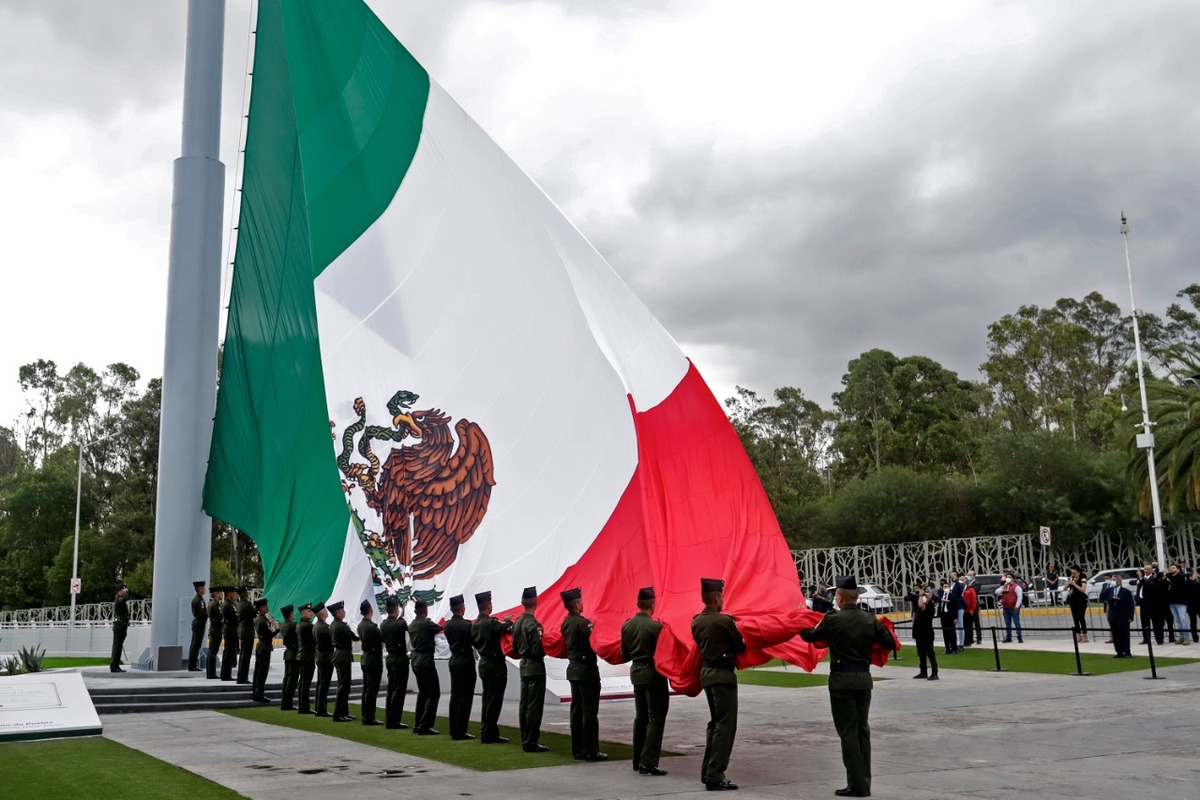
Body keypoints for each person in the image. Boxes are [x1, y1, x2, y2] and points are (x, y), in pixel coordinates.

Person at [801, 576, 896, 798]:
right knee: (862, 730)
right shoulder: (869, 619)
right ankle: (864, 782)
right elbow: (890, 642)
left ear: (839, 597)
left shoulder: (833, 619)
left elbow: (810, 636)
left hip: (841, 681)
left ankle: (856, 785)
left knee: (848, 733)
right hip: (864, 680)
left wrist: (798, 621)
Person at [691, 577, 745, 792]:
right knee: (725, 726)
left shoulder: (696, 621)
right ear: (716, 598)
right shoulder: (724, 621)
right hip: (723, 676)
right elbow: (739, 646)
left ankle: (707, 771)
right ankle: (715, 775)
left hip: (707, 674)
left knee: (715, 723)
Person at [621, 586, 669, 776]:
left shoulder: (627, 625)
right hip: (653, 673)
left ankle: (637, 760)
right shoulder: (655, 627)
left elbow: (624, 654)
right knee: (656, 717)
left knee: (641, 716)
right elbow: (664, 653)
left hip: (636, 672)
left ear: (637, 604)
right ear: (652, 604)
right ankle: (648, 762)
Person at [561, 587, 606, 762]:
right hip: (587, 671)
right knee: (589, 712)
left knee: (576, 710)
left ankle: (577, 749)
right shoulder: (582, 623)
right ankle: (591, 750)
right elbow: (595, 641)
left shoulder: (565, 622)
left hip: (573, 669)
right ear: (577, 604)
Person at [473, 590, 514, 744]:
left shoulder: (475, 625)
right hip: (495, 665)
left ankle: (487, 731)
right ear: (488, 606)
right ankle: (489, 734)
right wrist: (508, 620)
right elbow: (506, 627)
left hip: (483, 664)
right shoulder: (491, 623)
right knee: (494, 702)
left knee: (487, 700)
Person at [511, 585, 548, 752]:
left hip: (524, 665)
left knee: (524, 704)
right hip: (535, 666)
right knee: (534, 706)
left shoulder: (517, 623)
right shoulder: (534, 625)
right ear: (536, 603)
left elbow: (514, 647)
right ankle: (531, 741)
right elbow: (536, 649)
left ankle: (524, 738)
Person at [443, 594, 476, 740]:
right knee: (466, 697)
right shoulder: (467, 625)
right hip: (466, 662)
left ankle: (453, 729)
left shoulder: (448, 625)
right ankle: (461, 730)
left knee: (455, 696)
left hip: (454, 660)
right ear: (462, 608)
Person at [409, 597, 443, 735]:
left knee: (422, 694)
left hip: (415, 660)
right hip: (425, 661)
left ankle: (418, 724)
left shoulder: (411, 624)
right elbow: (440, 628)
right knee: (434, 693)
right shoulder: (426, 623)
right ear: (425, 611)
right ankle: (425, 725)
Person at [379, 595, 410, 729]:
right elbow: (404, 624)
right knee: (399, 690)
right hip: (399, 659)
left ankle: (389, 719)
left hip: (390, 658)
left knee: (391, 689)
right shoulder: (400, 624)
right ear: (395, 609)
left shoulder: (383, 624)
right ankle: (395, 720)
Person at [329, 600, 357, 721]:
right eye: (342, 611)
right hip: (343, 656)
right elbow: (354, 637)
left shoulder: (334, 624)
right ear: (338, 613)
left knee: (344, 686)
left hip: (340, 655)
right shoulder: (341, 626)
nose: (344, 612)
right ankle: (339, 714)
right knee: (343, 686)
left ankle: (344, 712)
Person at [903, 584, 938, 680]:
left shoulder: (929, 607)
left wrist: (922, 595)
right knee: (921, 653)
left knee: (930, 653)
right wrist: (921, 594)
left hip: (927, 633)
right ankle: (923, 672)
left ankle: (935, 672)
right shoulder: (920, 608)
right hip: (919, 633)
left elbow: (921, 603)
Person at [358, 598, 384, 726]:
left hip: (366, 658)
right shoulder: (371, 627)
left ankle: (366, 715)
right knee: (372, 690)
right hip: (373, 660)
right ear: (370, 611)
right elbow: (382, 638)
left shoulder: (361, 625)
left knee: (367, 690)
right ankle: (369, 717)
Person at [251, 598, 277, 703]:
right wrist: (278, 629)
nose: (267, 608)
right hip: (264, 647)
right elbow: (268, 635)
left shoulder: (260, 619)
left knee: (258, 671)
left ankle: (256, 692)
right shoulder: (262, 621)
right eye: (265, 606)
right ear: (261, 608)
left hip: (261, 646)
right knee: (262, 672)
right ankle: (259, 694)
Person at [313, 601, 334, 717]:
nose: (327, 612)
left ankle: (319, 707)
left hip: (321, 657)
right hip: (326, 657)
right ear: (321, 613)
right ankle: (321, 709)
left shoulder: (317, 626)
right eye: (325, 610)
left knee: (321, 684)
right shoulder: (323, 627)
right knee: (324, 684)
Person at [295, 602, 317, 714]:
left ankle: (302, 706)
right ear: (303, 614)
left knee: (303, 682)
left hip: (302, 655)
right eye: (308, 611)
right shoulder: (308, 626)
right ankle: (304, 707)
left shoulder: (299, 624)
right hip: (308, 656)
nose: (311, 613)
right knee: (305, 683)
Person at [1107, 575, 1135, 658]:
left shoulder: (1126, 592)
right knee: (1115, 635)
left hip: (1123, 616)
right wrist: (1111, 597)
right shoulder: (1110, 591)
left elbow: (1131, 605)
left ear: (1119, 581)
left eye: (1114, 580)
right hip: (1113, 616)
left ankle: (1127, 652)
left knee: (1124, 634)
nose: (1113, 581)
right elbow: (1103, 597)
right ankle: (1119, 652)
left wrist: (1130, 617)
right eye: (1112, 580)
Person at [1166, 564, 1192, 644]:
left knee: (1183, 619)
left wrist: (1170, 577)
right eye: (1171, 568)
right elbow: (1168, 575)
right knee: (1177, 620)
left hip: (1181, 601)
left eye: (1173, 568)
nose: (1171, 569)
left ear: (1178, 569)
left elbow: (1177, 581)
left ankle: (1186, 637)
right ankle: (1181, 636)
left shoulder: (1180, 576)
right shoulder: (1172, 576)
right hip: (1172, 601)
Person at [279, 604, 298, 710]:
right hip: (293, 654)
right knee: (292, 680)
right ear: (290, 614)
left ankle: (285, 702)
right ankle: (288, 703)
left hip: (288, 653)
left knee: (287, 679)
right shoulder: (292, 625)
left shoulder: (284, 625)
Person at [997, 571, 1024, 643]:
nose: (1008, 579)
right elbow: (996, 591)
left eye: (1010, 577)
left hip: (1014, 608)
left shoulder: (1017, 587)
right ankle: (1008, 637)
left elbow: (1019, 597)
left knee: (1016, 623)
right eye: (1007, 577)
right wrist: (1002, 589)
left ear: (1013, 579)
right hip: (1006, 608)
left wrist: (1017, 606)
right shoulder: (1004, 586)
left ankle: (1019, 637)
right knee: (1007, 623)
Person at [236, 586, 255, 684]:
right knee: (246, 656)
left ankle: (241, 676)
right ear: (243, 594)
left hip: (243, 629)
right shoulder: (247, 604)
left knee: (244, 655)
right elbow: (254, 614)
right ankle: (243, 677)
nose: (247, 594)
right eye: (246, 592)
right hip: (247, 630)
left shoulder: (239, 604)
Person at [220, 586, 240, 681]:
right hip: (230, 630)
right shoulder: (227, 605)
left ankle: (226, 674)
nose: (235, 594)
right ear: (228, 594)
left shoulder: (231, 604)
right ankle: (225, 675)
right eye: (233, 592)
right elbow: (234, 617)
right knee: (228, 652)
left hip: (232, 630)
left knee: (230, 652)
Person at [110, 582, 130, 673]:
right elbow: (126, 598)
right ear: (119, 591)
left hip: (121, 625)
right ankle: (114, 666)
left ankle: (115, 665)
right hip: (120, 625)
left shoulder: (119, 599)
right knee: (117, 646)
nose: (124, 591)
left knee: (117, 646)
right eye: (123, 590)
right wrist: (126, 591)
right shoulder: (119, 600)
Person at [1066, 568, 1089, 643]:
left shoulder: (1083, 579)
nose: (1073, 575)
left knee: (1081, 618)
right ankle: (1078, 635)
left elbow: (1083, 589)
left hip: (1081, 600)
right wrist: (1069, 583)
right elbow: (1064, 588)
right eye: (1072, 573)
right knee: (1075, 619)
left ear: (1079, 572)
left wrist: (1074, 584)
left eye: (1075, 573)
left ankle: (1085, 636)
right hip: (1073, 600)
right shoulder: (1072, 579)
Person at [188, 579, 207, 672]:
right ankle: (192, 666)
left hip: (198, 623)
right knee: (195, 645)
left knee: (195, 645)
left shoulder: (198, 599)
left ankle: (192, 665)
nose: (205, 590)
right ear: (199, 589)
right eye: (203, 588)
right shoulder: (199, 600)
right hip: (199, 624)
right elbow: (201, 613)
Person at [206, 585, 224, 680]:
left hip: (217, 629)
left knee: (213, 651)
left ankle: (211, 672)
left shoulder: (216, 604)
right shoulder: (214, 605)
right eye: (220, 593)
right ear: (216, 594)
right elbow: (219, 617)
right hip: (215, 629)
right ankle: (211, 673)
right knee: (212, 652)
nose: (222, 594)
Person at [936, 580, 958, 654]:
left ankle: (954, 648)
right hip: (943, 615)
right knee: (945, 633)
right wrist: (943, 599)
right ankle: (947, 648)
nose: (946, 588)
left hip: (950, 616)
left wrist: (955, 617)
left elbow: (955, 606)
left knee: (952, 632)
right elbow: (938, 599)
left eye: (947, 586)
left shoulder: (952, 595)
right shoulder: (941, 595)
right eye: (944, 587)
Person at [961, 579, 978, 648]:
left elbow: (973, 600)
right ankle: (966, 640)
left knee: (968, 625)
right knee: (964, 626)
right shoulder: (959, 589)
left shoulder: (970, 589)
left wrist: (972, 609)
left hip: (968, 610)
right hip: (961, 610)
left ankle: (968, 640)